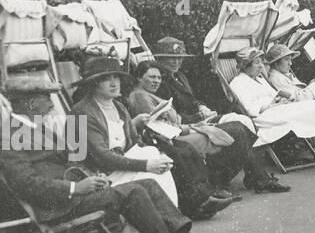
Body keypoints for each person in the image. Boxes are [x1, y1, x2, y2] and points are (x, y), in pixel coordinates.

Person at [70, 56, 231, 222]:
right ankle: (178, 223)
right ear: (93, 83)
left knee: (159, 157)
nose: (113, 83)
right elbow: (102, 157)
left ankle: (179, 219)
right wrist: (146, 164)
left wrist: (156, 153)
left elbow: (134, 140)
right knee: (155, 167)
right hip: (103, 174)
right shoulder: (82, 112)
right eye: (105, 79)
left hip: (123, 162)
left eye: (116, 77)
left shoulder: (117, 106)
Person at [153, 36, 288, 194]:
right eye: (172, 59)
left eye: (179, 58)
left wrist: (202, 106)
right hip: (192, 123)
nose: (177, 62)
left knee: (243, 121)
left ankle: (256, 177)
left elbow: (192, 99)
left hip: (201, 117)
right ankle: (253, 178)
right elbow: (173, 113)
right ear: (160, 59)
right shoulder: (160, 82)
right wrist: (199, 116)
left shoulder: (180, 76)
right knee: (239, 127)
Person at [126, 61, 252, 201]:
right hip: (173, 139)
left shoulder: (149, 94)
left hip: (180, 132)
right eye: (152, 77)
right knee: (237, 131)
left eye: (159, 78)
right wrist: (188, 126)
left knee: (238, 129)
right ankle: (217, 183)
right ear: (139, 78)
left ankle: (220, 182)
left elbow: (171, 120)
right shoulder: (139, 96)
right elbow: (158, 126)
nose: (156, 81)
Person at [228, 48, 315, 174]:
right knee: (312, 107)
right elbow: (250, 109)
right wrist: (271, 105)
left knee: (312, 111)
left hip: (278, 111)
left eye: (261, 63)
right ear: (246, 65)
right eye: (257, 63)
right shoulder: (238, 83)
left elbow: (275, 94)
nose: (261, 66)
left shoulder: (260, 80)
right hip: (264, 119)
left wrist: (280, 99)